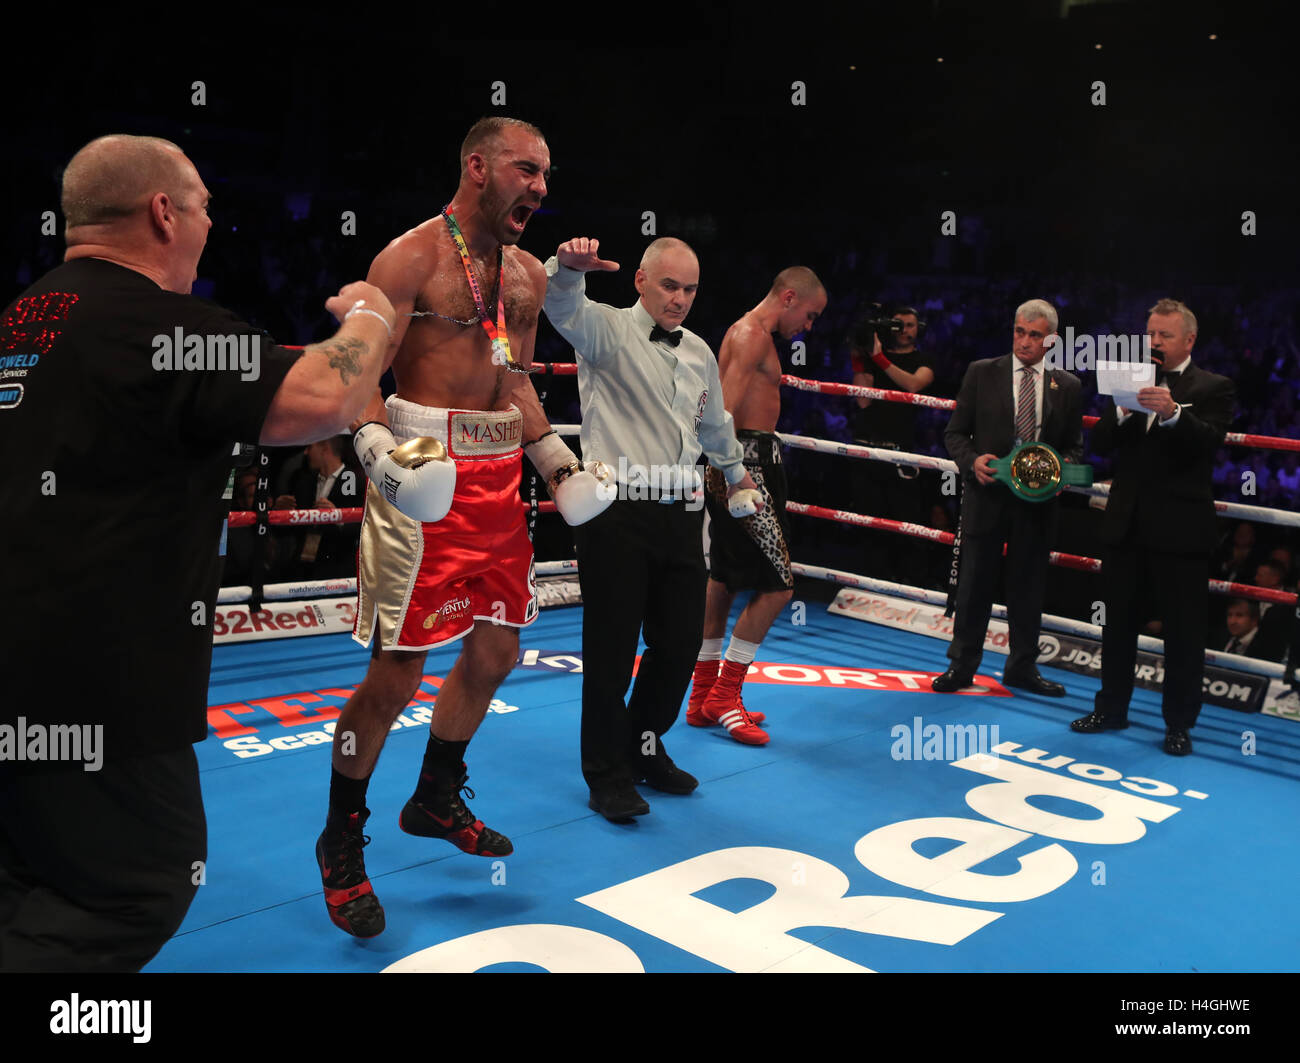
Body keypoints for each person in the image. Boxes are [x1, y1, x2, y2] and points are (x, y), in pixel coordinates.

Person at [0, 134, 394, 972]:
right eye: (206, 206)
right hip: (92, 687)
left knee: (30, 875)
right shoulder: (153, 327)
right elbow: (327, 395)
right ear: (163, 212)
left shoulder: (22, 320)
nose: (213, 223)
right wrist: (374, 313)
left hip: (30, 667)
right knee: (137, 884)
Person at [316, 117, 609, 938]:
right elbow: (357, 374)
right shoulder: (407, 258)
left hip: (497, 479)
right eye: (527, 170)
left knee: (498, 647)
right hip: (422, 474)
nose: (542, 188)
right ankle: (340, 838)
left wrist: (556, 461)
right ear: (477, 167)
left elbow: (511, 380)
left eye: (548, 174)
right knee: (396, 673)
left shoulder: (522, 273)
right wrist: (380, 451)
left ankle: (436, 793)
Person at [542, 235, 763, 821]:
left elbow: (714, 426)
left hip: (682, 512)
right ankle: (606, 773)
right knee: (612, 650)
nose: (680, 299)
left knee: (679, 643)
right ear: (640, 280)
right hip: (615, 513)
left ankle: (644, 746)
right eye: (670, 285)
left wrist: (738, 477)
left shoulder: (698, 351)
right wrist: (566, 268)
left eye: (690, 289)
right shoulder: (607, 330)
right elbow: (560, 305)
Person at [1071, 298, 1236, 756]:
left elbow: (1209, 445)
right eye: (1150, 334)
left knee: (1183, 635)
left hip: (1181, 530)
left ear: (1188, 339)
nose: (1155, 342)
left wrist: (1173, 413)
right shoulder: (1133, 379)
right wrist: (1123, 410)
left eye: (1164, 335)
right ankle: (1111, 709)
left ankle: (1178, 725)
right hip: (1126, 524)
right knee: (1117, 625)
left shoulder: (1213, 386)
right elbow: (1100, 443)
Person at [688, 267, 827, 744]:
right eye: (809, 315)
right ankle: (725, 692)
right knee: (778, 587)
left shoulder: (744, 331)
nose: (808, 327)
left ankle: (702, 693)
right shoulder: (751, 335)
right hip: (747, 471)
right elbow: (720, 411)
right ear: (788, 297)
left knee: (724, 578)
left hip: (739, 467)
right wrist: (735, 476)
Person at [933, 299, 1083, 696]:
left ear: (1051, 340)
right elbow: (954, 434)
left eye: (1034, 335)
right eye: (1019, 331)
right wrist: (973, 460)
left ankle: (1022, 668)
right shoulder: (983, 373)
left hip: (1036, 504)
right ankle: (962, 666)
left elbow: (1074, 448)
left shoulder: (1067, 386)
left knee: (1027, 586)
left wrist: (1059, 469)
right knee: (974, 584)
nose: (1025, 341)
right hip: (987, 496)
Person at [849, 305, 937, 584]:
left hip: (901, 451)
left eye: (910, 325)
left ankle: (912, 584)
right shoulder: (875, 359)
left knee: (907, 521)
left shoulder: (924, 359)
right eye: (898, 324)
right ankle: (871, 582)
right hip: (869, 449)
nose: (904, 330)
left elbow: (912, 385)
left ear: (918, 328)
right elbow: (863, 400)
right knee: (869, 520)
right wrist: (860, 360)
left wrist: (879, 357)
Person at [274, 436, 361, 580]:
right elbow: (285, 532)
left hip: (339, 569)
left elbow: (364, 527)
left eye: (310, 447)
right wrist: (279, 515)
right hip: (303, 568)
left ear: (324, 449)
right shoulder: (303, 481)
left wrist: (338, 517)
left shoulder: (353, 480)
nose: (305, 453)